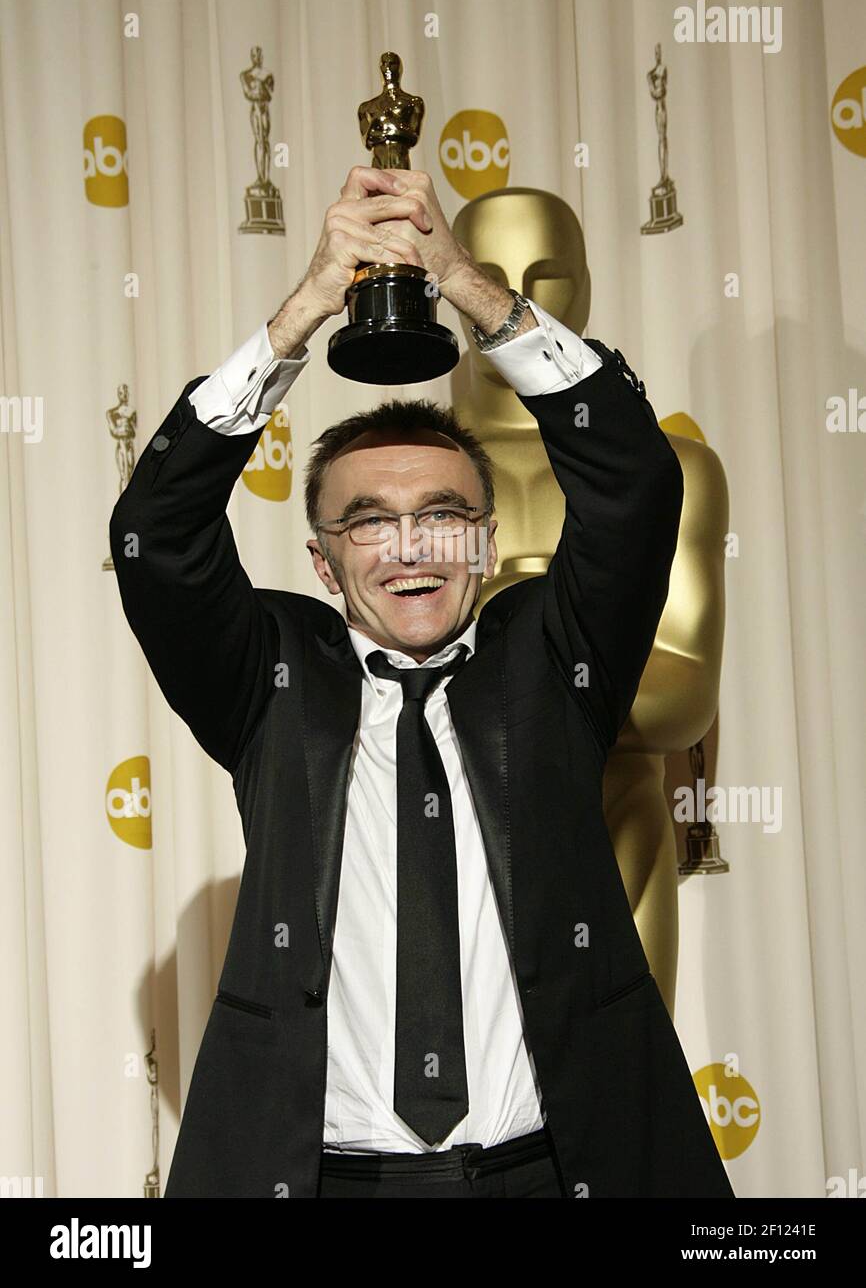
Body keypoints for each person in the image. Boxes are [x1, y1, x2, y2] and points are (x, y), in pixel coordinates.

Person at [109, 166, 734, 1199]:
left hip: (552, 1175)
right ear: (322, 559)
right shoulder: (269, 678)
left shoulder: (550, 658)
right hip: (329, 1184)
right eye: (368, 521)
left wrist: (461, 282)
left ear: (485, 545)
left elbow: (633, 477)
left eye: (442, 516)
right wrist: (303, 311)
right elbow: (154, 536)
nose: (410, 549)